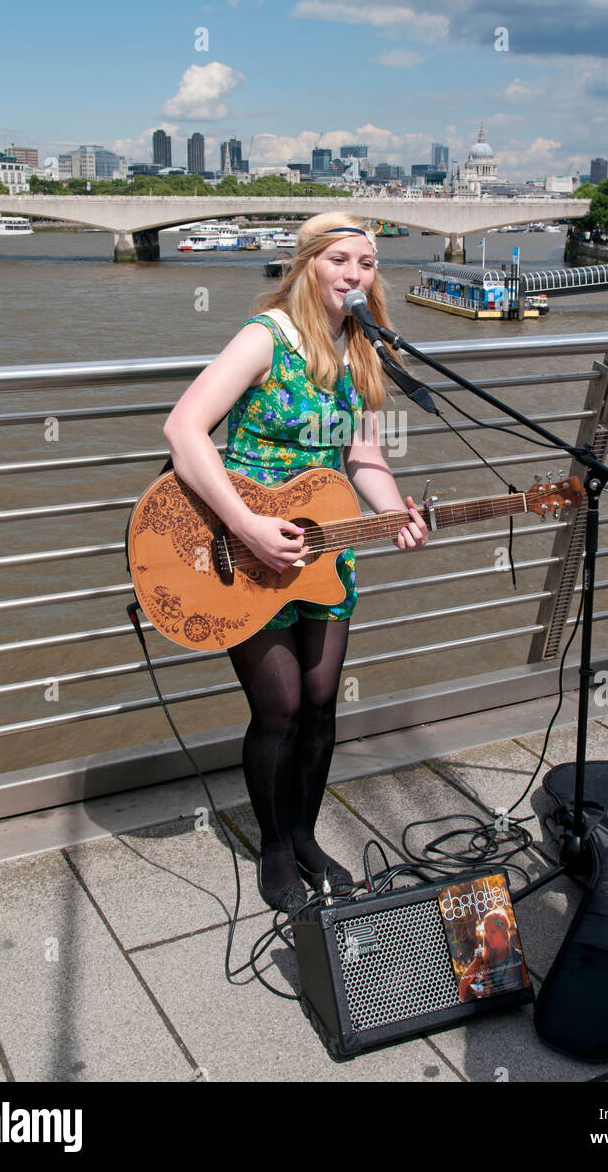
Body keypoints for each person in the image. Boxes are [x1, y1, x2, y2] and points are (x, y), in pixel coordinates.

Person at [163, 211, 428, 912]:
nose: (354, 275)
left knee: (319, 704)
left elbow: (364, 457)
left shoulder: (363, 352)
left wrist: (394, 510)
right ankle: (276, 848)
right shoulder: (267, 337)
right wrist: (246, 525)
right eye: (340, 260)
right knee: (277, 708)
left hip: (324, 548)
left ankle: (307, 834)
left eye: (366, 264)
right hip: (243, 546)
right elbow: (183, 429)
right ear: (309, 263)